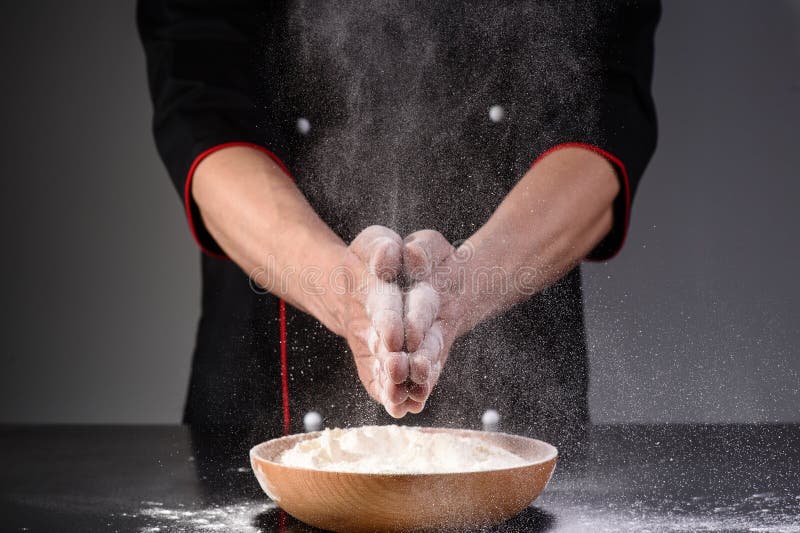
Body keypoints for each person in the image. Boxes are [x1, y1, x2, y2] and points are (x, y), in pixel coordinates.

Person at [138, 0, 659, 450]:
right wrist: (341, 286)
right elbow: (201, 104)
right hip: (260, 390)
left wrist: (466, 285)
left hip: (524, 390)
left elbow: (606, 105)